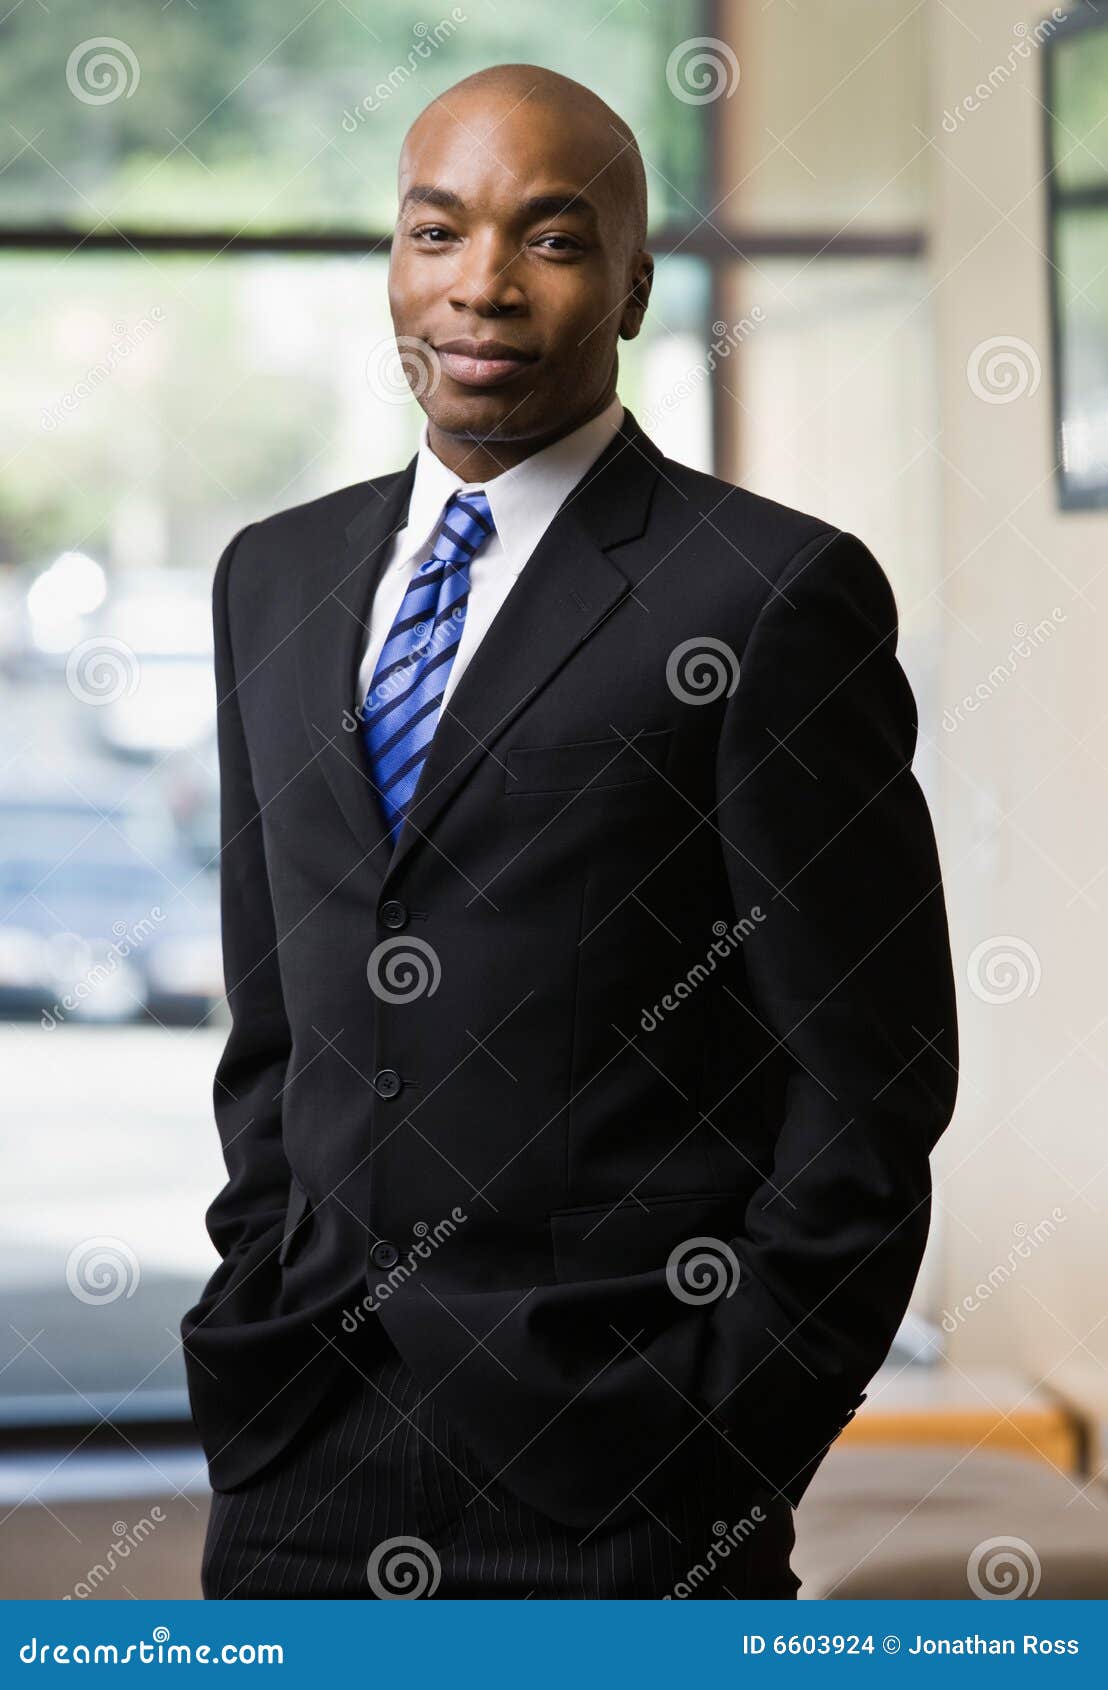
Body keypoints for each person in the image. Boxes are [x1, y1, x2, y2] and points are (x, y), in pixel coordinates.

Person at [183, 62, 958, 1600]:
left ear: (634, 287)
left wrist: (725, 1428)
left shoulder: (764, 596)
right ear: (393, 261)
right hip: (302, 1437)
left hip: (625, 1476)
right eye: (435, 231)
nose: (481, 286)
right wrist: (254, 1274)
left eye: (548, 239)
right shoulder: (268, 580)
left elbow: (871, 1088)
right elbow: (273, 1013)